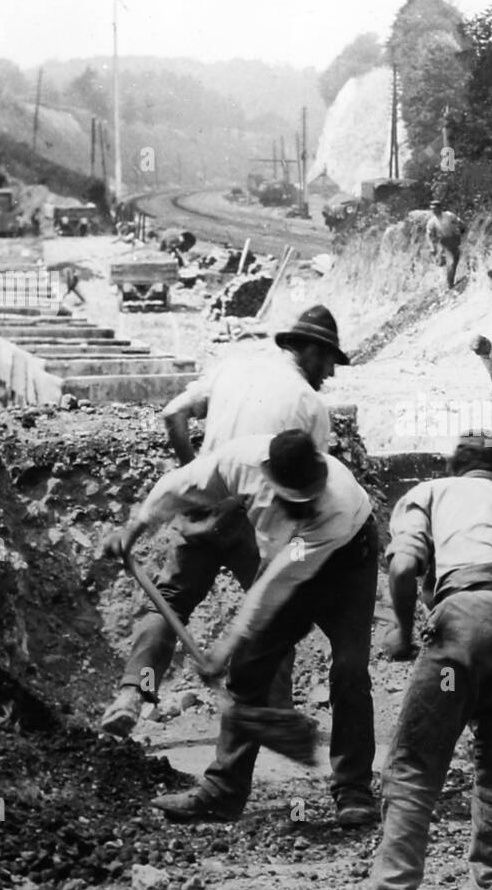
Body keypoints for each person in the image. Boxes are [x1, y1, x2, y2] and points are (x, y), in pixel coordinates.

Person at [97, 308, 376, 824]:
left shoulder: (329, 513)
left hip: (346, 560)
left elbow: (272, 588)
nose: (297, 507)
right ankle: (223, 792)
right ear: (268, 475)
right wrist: (132, 531)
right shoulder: (242, 461)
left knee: (349, 668)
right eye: (289, 500)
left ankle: (354, 790)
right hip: (285, 556)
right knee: (250, 669)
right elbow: (174, 488)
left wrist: (220, 650)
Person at [335, 431, 492, 890]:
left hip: (468, 617)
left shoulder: (430, 492)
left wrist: (404, 633)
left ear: (454, 466)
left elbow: (403, 565)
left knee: (414, 767)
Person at [425, 199, 466, 289]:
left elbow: (460, 222)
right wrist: (432, 247)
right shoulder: (432, 222)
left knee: (455, 262)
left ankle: (450, 280)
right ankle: (450, 283)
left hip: (454, 239)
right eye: (432, 209)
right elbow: (429, 236)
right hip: (444, 242)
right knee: (451, 262)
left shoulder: (449, 215)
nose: (434, 211)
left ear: (440, 208)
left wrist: (462, 228)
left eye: (435, 209)